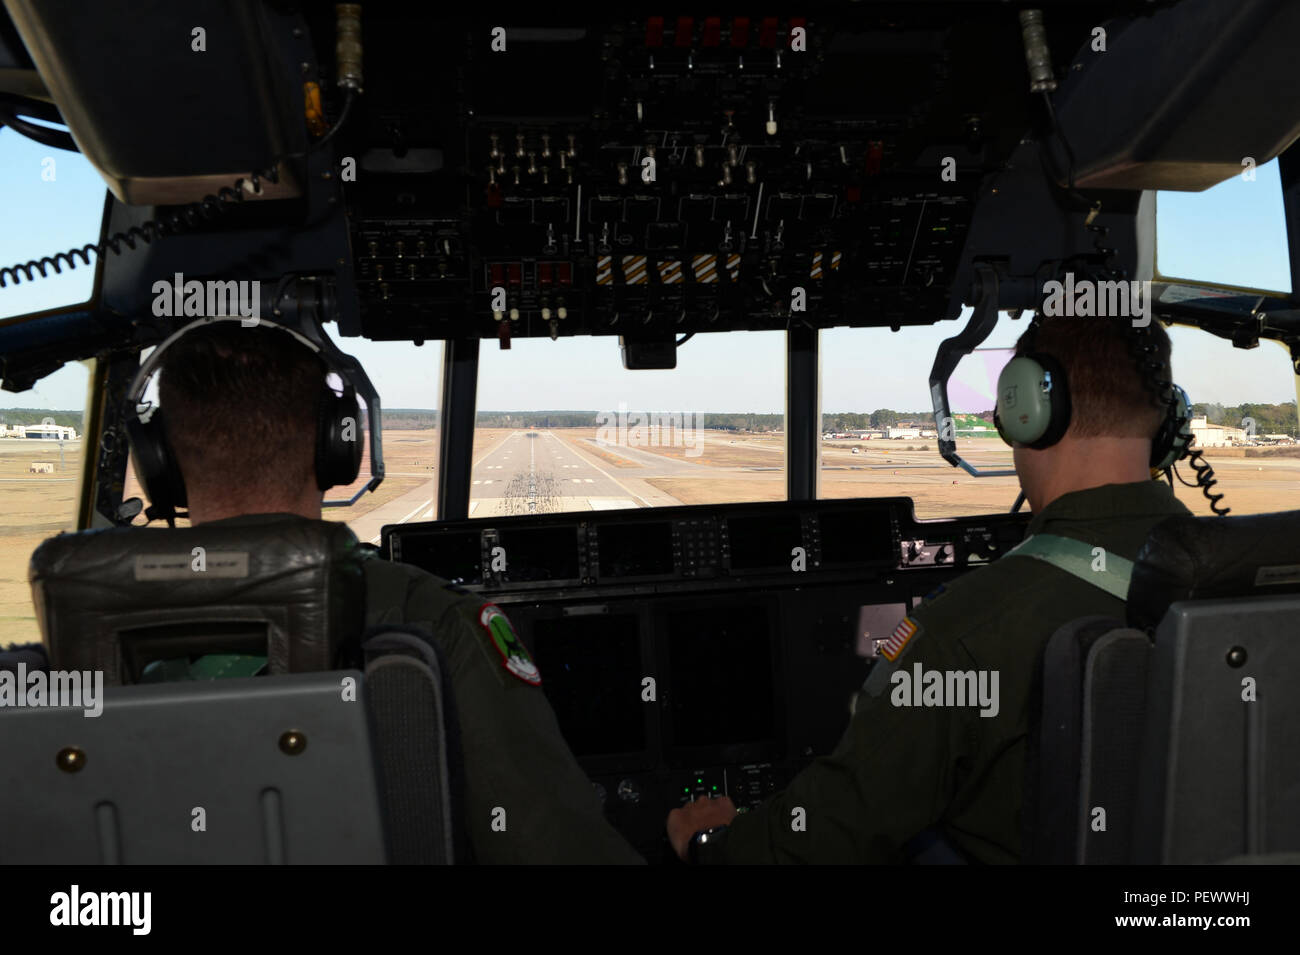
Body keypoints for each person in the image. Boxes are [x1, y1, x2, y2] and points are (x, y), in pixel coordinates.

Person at [667, 315, 1192, 864]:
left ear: (1026, 413)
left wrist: (712, 844)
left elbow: (831, 832)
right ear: (1165, 424)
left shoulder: (966, 631)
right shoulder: (1253, 578)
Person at [155, 321, 642, 864]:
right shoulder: (430, 623)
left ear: (158, 463)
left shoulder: (83, 627)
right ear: (336, 446)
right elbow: (555, 847)